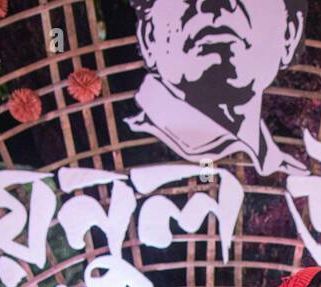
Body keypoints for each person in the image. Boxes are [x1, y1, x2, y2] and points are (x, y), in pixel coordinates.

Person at [126, 0, 308, 176]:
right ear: (149, 37)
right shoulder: (123, 158)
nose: (215, 4)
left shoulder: (295, 178)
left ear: (289, 36)